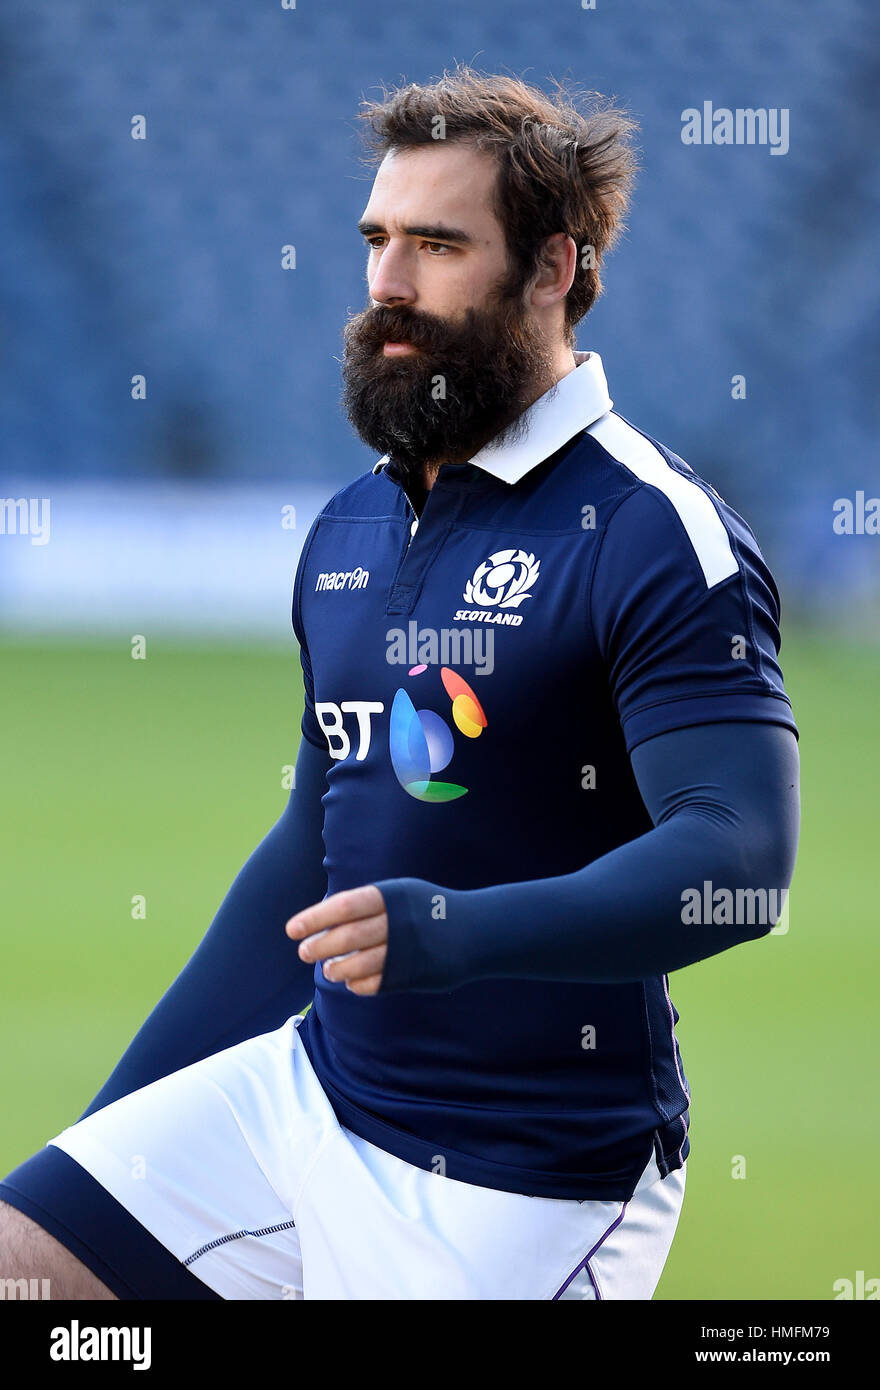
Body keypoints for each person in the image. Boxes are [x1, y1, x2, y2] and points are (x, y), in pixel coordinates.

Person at [0, 66, 799, 1300]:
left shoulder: (652, 529)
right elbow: (308, 858)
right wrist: (109, 1144)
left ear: (554, 268)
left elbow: (739, 861)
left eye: (437, 244)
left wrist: (457, 931)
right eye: (376, 239)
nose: (387, 280)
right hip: (312, 1094)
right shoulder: (351, 529)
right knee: (25, 1267)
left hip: (529, 1175)